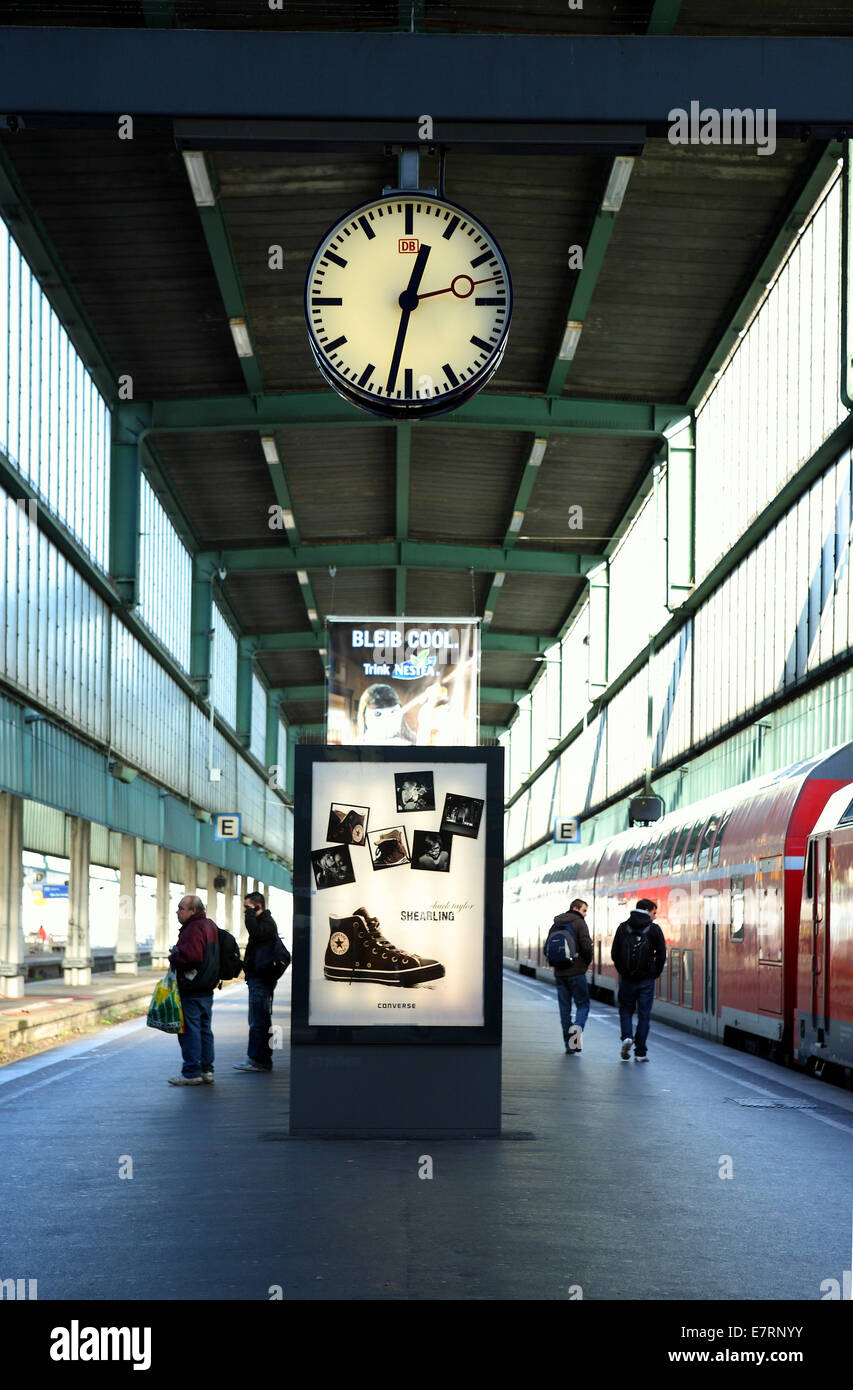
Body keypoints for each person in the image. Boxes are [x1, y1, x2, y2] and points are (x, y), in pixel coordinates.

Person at [167, 895, 220, 1086]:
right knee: (205, 1029)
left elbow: (193, 957)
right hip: (206, 987)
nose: (178, 912)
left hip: (192, 987)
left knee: (190, 1031)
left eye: (181, 908)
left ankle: (191, 1072)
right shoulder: (209, 925)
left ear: (193, 911)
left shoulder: (194, 928)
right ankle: (207, 1070)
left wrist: (174, 956)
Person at [611, 898, 667, 1062]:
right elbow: (662, 955)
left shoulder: (623, 927)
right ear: (648, 910)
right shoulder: (654, 929)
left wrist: (623, 971)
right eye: (654, 913)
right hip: (646, 980)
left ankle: (627, 1037)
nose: (655, 917)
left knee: (626, 1010)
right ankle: (640, 1052)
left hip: (627, 979)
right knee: (644, 1015)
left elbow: (615, 953)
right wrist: (653, 973)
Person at [234, 892, 282, 1074]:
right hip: (258, 978)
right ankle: (262, 1059)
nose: (244, 911)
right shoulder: (263, 924)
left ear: (258, 906)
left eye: (247, 907)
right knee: (259, 1018)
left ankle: (258, 1060)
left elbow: (254, 932)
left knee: (259, 1020)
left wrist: (250, 915)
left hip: (263, 979)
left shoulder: (266, 924)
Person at [545, 899, 593, 1053]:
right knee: (583, 1004)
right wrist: (585, 963)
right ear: (576, 908)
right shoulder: (579, 923)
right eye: (584, 910)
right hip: (577, 972)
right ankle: (578, 1026)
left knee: (564, 1009)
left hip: (560, 973)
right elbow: (586, 946)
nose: (585, 913)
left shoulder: (556, 924)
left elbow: (546, 949)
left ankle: (569, 1045)